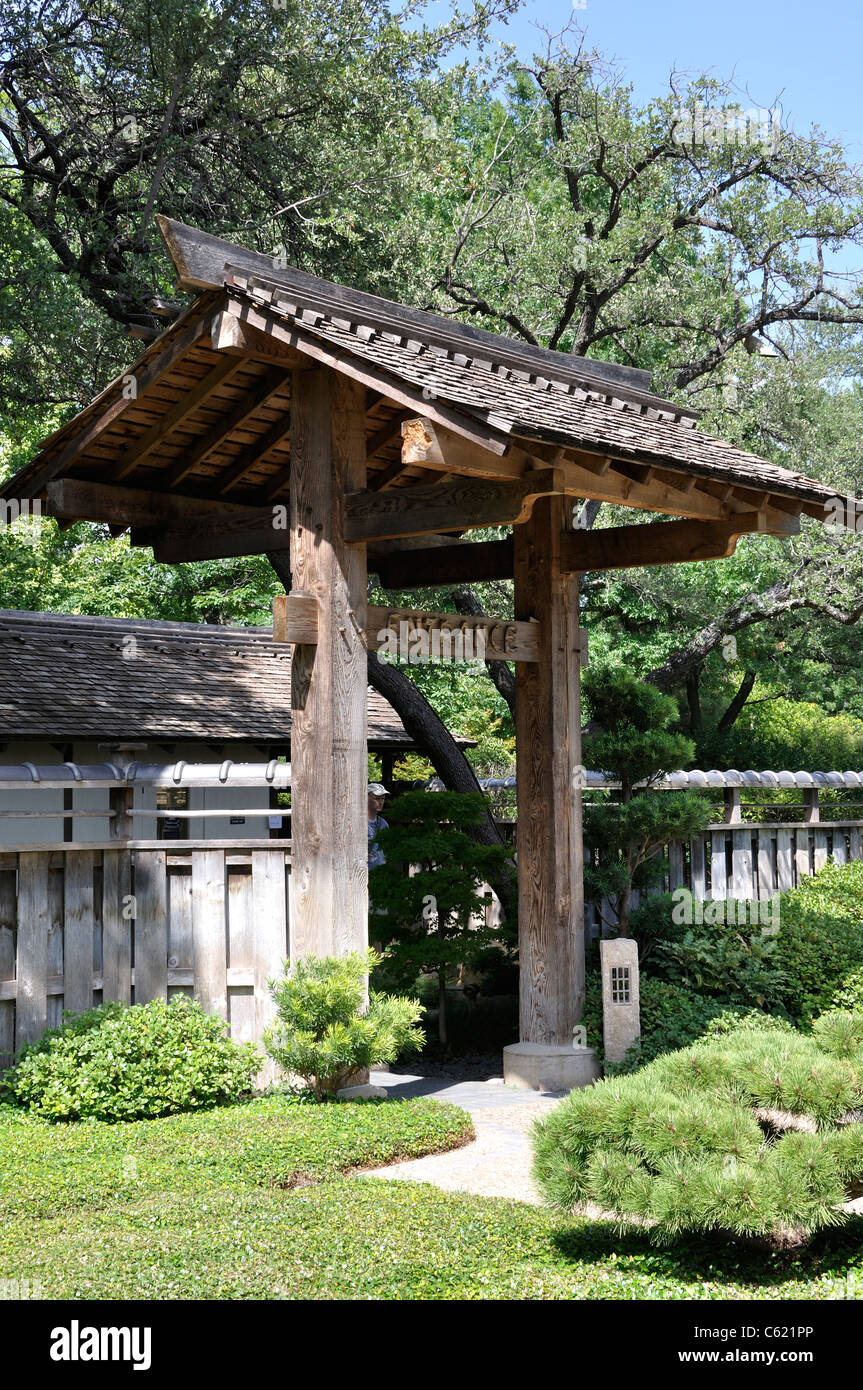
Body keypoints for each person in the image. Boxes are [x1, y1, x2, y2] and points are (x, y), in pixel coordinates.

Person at [367, 783, 389, 871]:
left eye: (383, 799)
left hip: (379, 874)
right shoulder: (358, 824)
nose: (381, 802)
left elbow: (385, 851)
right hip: (361, 874)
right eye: (377, 798)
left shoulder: (383, 824)